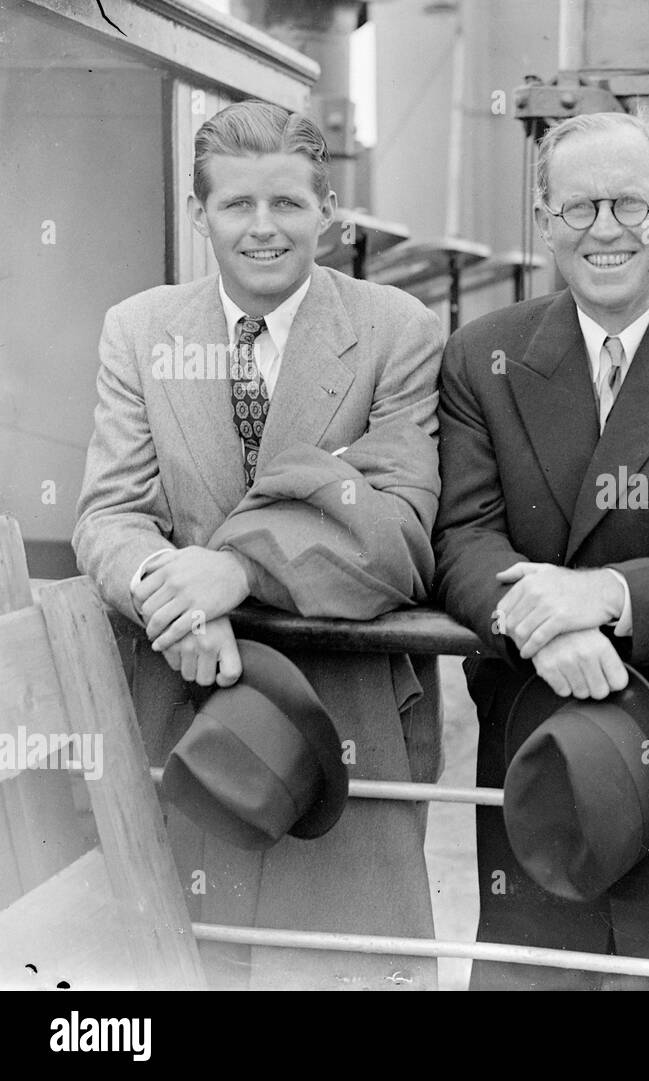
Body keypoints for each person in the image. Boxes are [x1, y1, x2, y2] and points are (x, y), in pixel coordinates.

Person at [73, 100, 444, 990]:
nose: (264, 227)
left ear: (326, 210)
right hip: (188, 709)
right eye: (237, 205)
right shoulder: (140, 329)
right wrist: (168, 587)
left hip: (348, 724)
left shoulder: (398, 329)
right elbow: (107, 516)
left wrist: (230, 570)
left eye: (288, 203)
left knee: (343, 976)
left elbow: (399, 531)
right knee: (186, 973)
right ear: (199, 214)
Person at [432, 110, 649, 989]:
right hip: (538, 757)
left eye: (628, 205)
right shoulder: (485, 357)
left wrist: (602, 597)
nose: (604, 230)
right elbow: (462, 536)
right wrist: (549, 628)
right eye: (579, 207)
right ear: (544, 220)